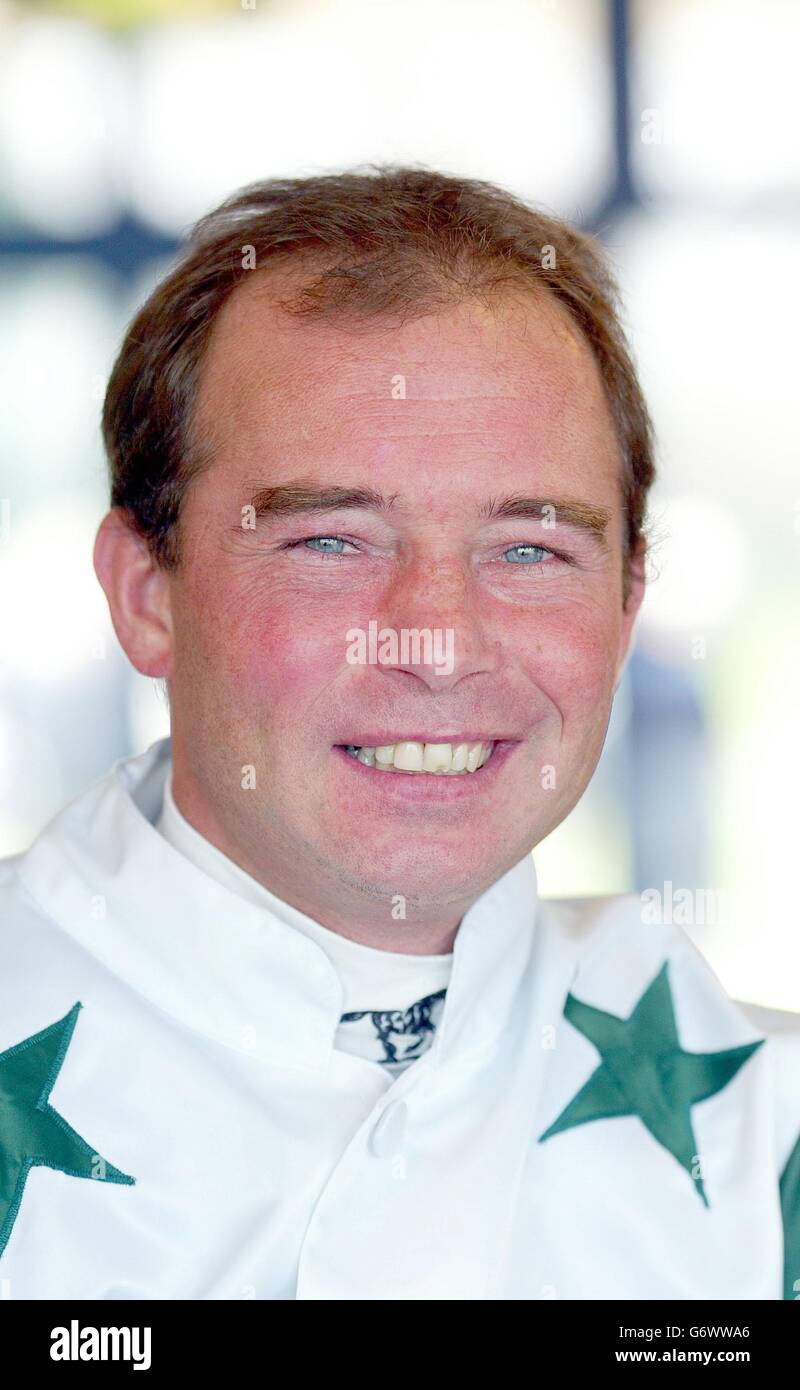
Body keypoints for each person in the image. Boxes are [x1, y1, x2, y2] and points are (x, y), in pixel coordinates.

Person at [1, 168, 797, 1300]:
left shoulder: (770, 1149)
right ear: (145, 594)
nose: (436, 643)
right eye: (332, 541)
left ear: (624, 607)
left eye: (530, 549)